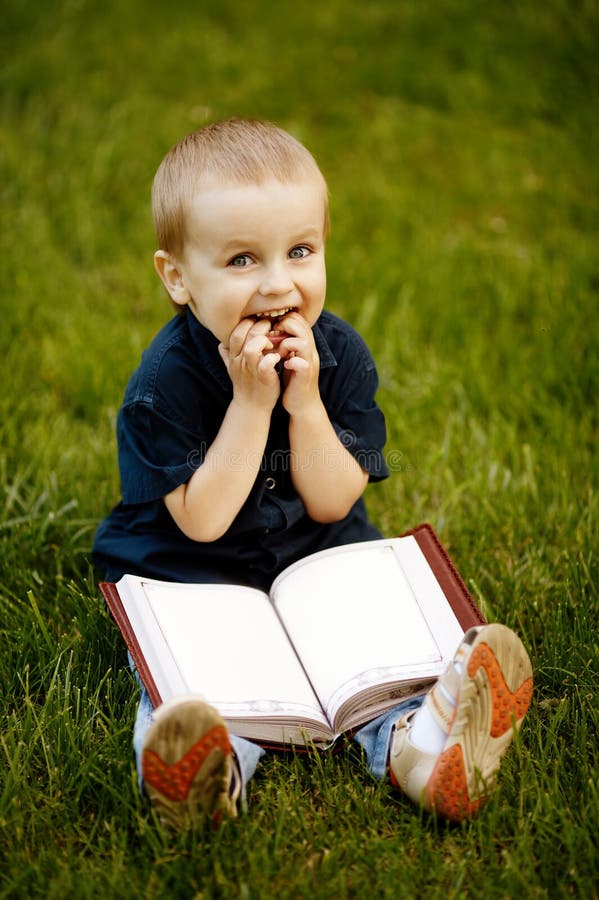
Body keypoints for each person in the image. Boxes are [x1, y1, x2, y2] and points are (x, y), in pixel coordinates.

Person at [93, 118, 532, 830]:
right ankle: (206, 772)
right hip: (189, 570)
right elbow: (201, 520)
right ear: (177, 278)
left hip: (315, 555)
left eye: (299, 251)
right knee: (193, 686)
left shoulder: (340, 356)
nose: (277, 284)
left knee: (377, 670)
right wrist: (250, 401)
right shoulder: (163, 384)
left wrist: (301, 403)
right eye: (240, 261)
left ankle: (419, 752)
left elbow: (332, 502)